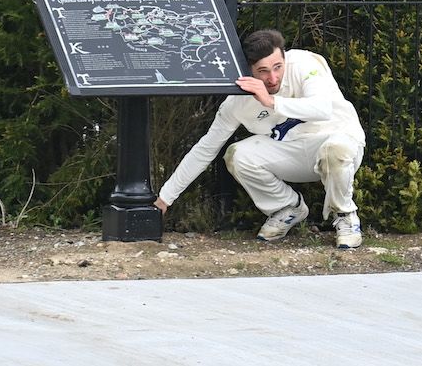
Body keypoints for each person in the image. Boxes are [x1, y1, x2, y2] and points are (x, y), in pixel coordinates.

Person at [154, 28, 367, 249]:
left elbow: (322, 109)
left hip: (339, 142)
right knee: (237, 155)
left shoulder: (305, 63)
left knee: (335, 149)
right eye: (263, 71)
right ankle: (287, 207)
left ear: (284, 57)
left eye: (277, 67)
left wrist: (271, 102)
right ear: (249, 70)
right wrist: (165, 198)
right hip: (292, 152)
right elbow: (206, 149)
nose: (272, 78)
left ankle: (345, 215)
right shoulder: (236, 102)